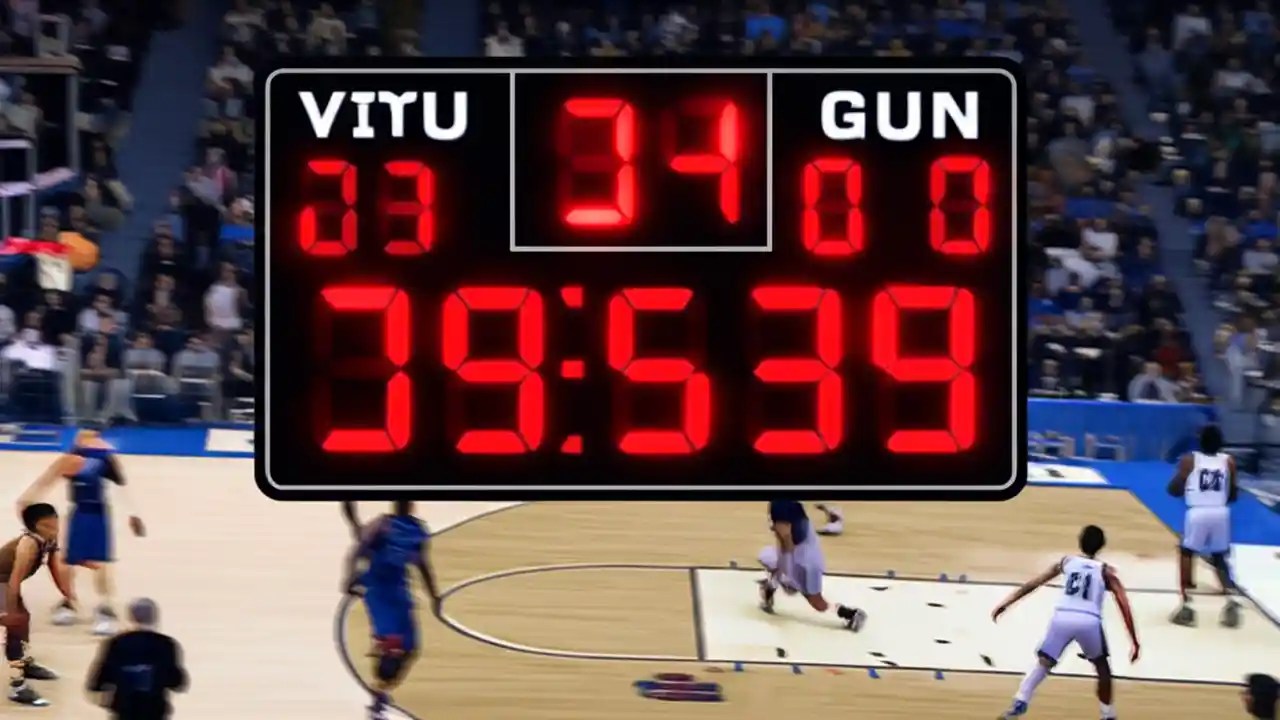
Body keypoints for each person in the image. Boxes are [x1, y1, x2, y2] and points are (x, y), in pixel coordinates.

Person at [992, 525, 1140, 720]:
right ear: (1102, 545)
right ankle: (1107, 715)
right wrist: (1134, 640)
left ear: (1080, 542)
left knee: (1044, 663)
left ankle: (1020, 701)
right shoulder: (1105, 571)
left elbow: (1034, 583)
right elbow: (1123, 604)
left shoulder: (1067, 562)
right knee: (1102, 668)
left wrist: (1006, 603)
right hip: (1089, 620)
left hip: (1062, 617)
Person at [16, 430, 146, 636]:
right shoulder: (70, 459)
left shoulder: (105, 459)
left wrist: (133, 514)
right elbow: (46, 480)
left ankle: (105, 608)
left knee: (100, 563)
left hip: (98, 514)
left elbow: (122, 485)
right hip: (78, 512)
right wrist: (28, 499)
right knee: (67, 561)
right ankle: (69, 601)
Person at [344, 500, 441, 720]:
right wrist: (434, 595)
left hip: (392, 593)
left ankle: (379, 695)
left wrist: (351, 576)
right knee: (399, 648)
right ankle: (378, 701)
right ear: (412, 505)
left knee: (404, 648)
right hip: (386, 593)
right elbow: (423, 566)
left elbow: (359, 548)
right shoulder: (408, 529)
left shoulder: (390, 526)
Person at [1166, 424, 1242, 628]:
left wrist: (1185, 484)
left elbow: (1173, 489)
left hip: (1198, 512)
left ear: (1200, 442)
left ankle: (1186, 606)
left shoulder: (1190, 460)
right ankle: (1232, 602)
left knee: (1186, 553)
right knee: (1219, 557)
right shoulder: (1229, 461)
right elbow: (1233, 494)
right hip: (1221, 512)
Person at [0, 503, 75, 707]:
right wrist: (11, 611)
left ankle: (24, 665)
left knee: (21, 622)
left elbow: (53, 566)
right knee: (16, 626)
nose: (54, 530)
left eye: (55, 524)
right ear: (35, 526)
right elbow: (14, 580)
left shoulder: (49, 539)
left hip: (4, 584)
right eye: (48, 526)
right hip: (3, 584)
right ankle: (18, 688)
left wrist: (67, 594)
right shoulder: (28, 545)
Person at [757, 501, 865, 630]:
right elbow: (784, 537)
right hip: (808, 548)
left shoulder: (779, 505)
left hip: (802, 558)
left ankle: (850, 614)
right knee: (772, 562)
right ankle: (770, 586)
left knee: (816, 602)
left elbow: (786, 539)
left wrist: (787, 571)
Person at [87, 598, 188, 720]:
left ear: (131, 617)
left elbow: (96, 683)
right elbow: (178, 683)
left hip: (124, 712)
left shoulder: (117, 643)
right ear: (155, 617)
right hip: (155, 712)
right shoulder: (166, 644)